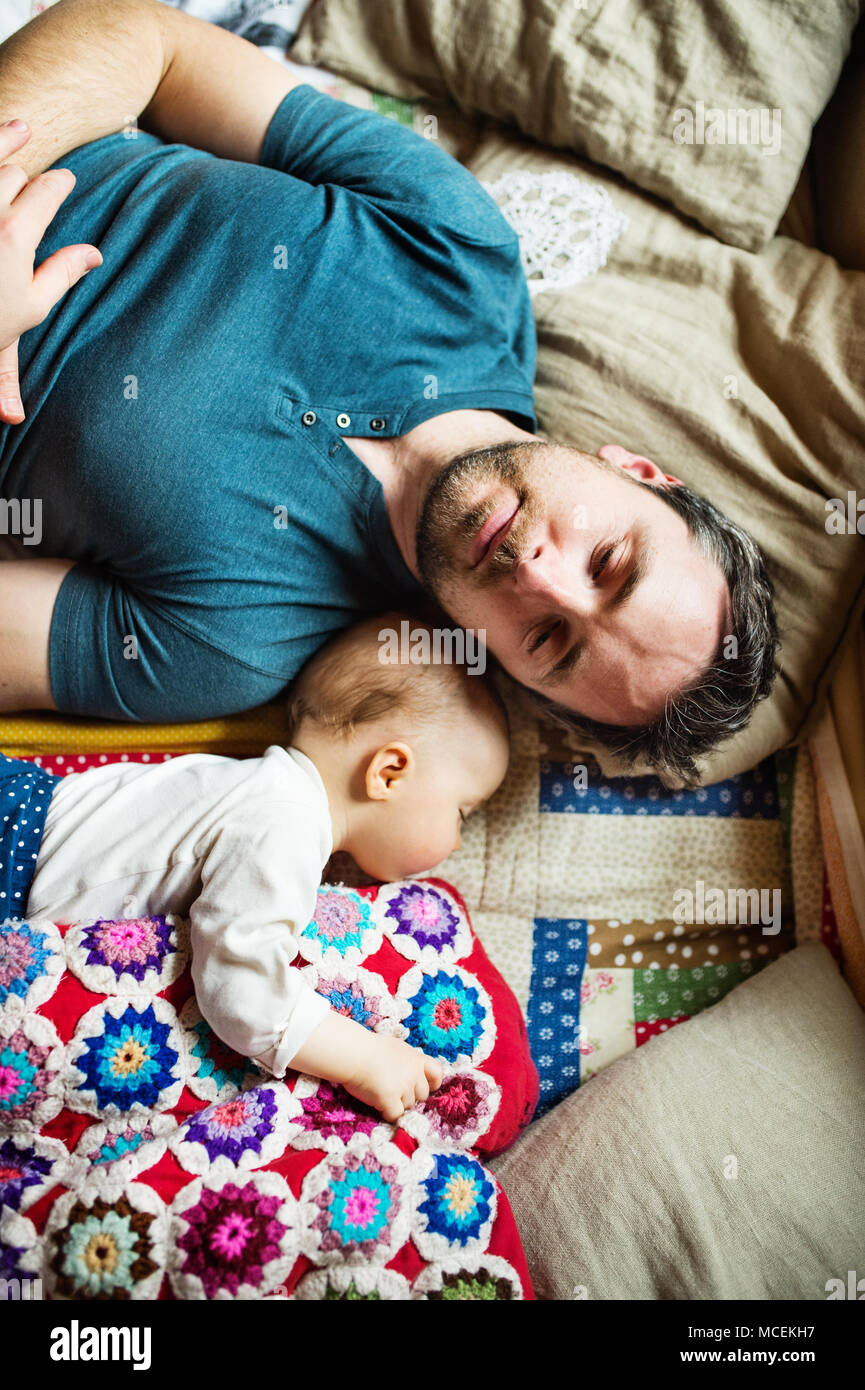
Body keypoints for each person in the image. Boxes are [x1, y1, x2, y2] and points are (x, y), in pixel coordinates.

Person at [0, 0, 778, 781]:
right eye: (607, 561)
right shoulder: (459, 245)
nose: (536, 575)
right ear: (640, 471)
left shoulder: (228, 645)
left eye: (547, 639)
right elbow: (149, 45)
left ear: (500, 666)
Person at [17, 613, 510, 1122]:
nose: (455, 843)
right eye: (461, 814)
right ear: (388, 773)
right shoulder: (287, 823)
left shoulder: (262, 789)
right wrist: (365, 1058)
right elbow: (242, 992)